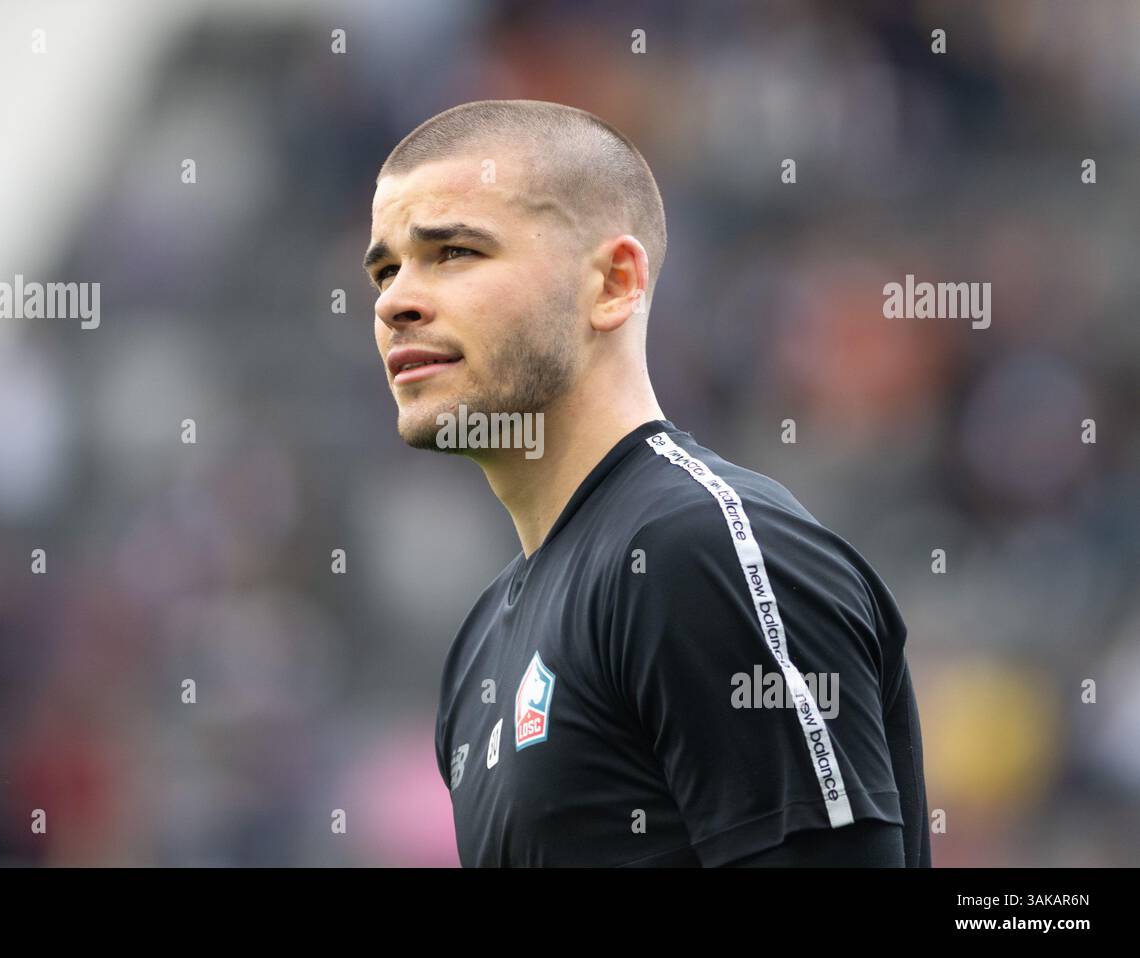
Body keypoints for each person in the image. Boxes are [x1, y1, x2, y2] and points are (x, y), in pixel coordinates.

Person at [363, 99, 929, 867]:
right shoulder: (479, 643)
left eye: (455, 252)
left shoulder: (695, 551)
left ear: (614, 283)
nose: (396, 300)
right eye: (385, 269)